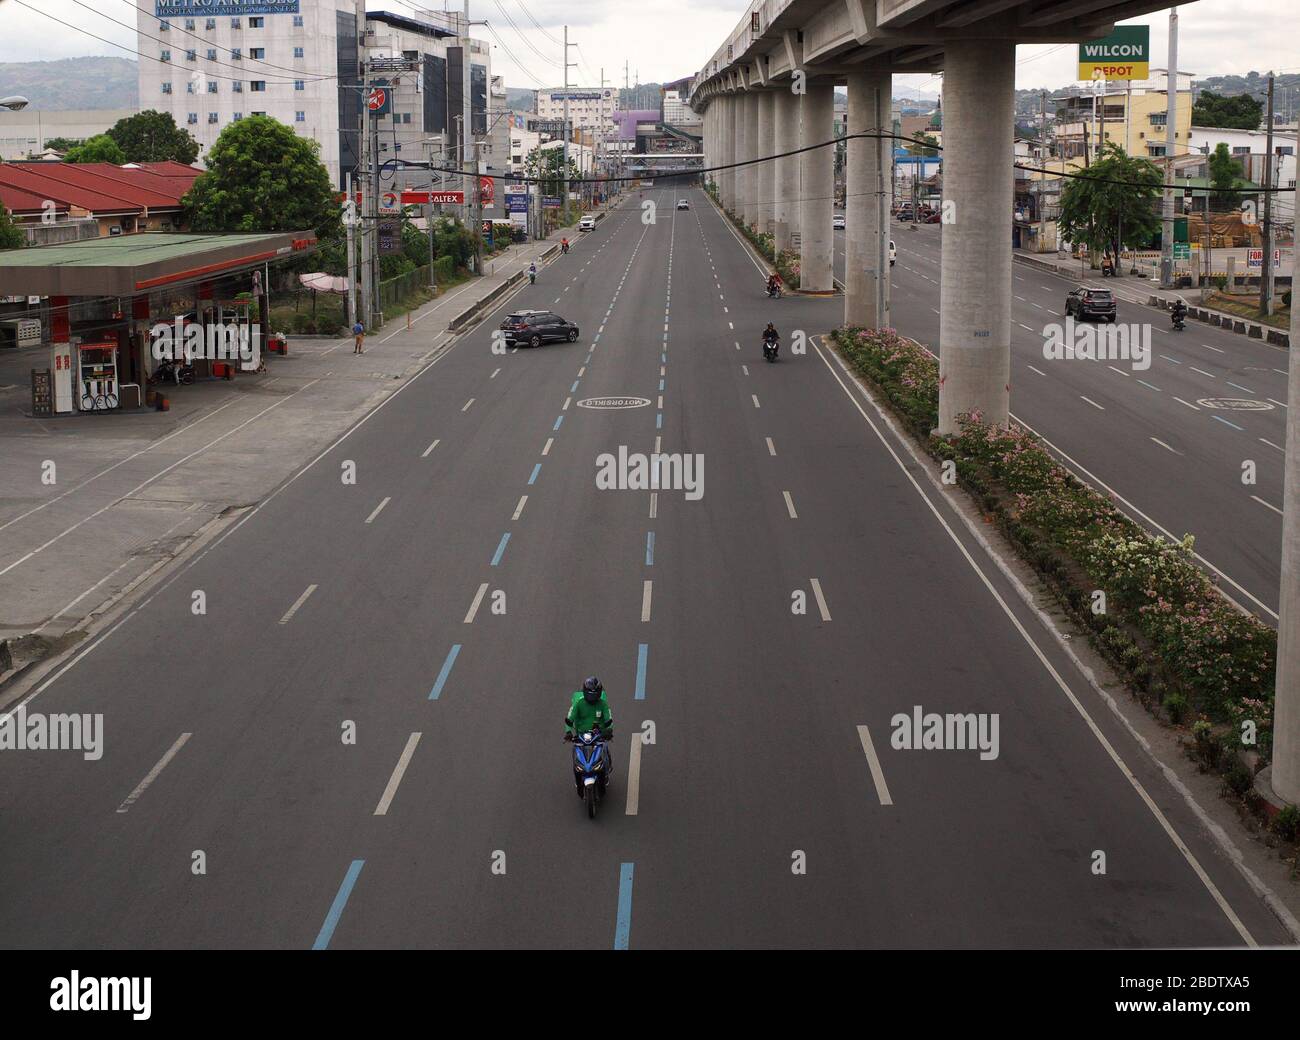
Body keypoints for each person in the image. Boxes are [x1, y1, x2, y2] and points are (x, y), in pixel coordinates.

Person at [565, 676, 614, 793]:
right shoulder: (578, 704)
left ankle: (605, 772)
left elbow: (609, 718)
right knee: (576, 755)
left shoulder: (603, 704)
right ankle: (578, 780)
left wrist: (609, 731)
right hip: (581, 735)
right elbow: (569, 719)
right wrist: (568, 732)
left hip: (598, 734)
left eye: (595, 693)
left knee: (604, 749)